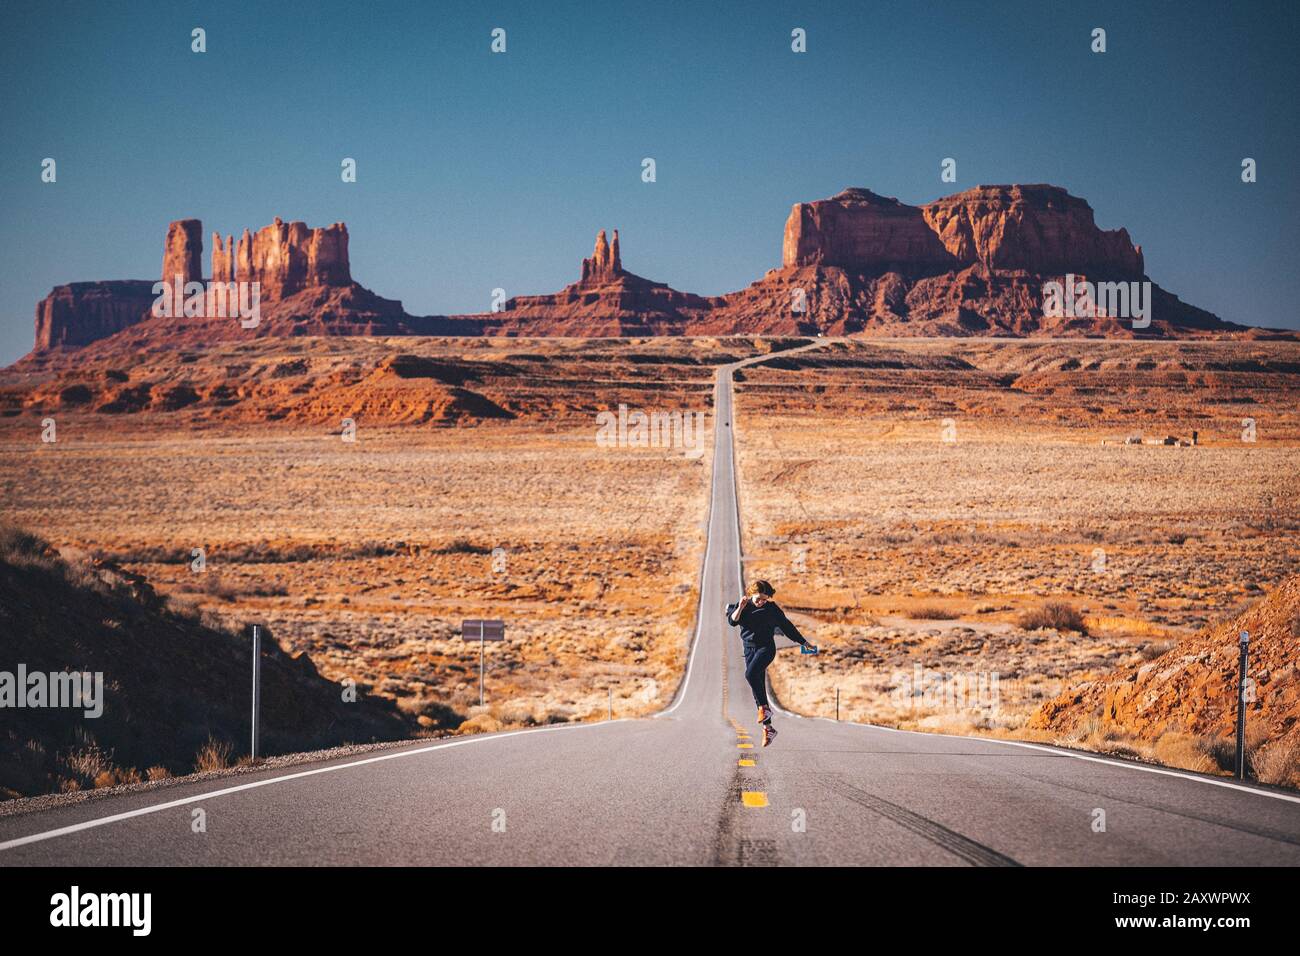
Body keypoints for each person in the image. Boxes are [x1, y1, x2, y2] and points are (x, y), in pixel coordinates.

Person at [726, 579, 815, 746]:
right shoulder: (743, 605)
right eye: (758, 598)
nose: (761, 602)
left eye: (764, 599)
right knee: (756, 686)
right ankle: (769, 729)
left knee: (750, 674)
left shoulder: (772, 609)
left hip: (766, 649)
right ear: (751, 594)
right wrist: (741, 607)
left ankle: (766, 711)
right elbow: (732, 621)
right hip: (749, 650)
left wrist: (803, 642)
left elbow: (787, 627)